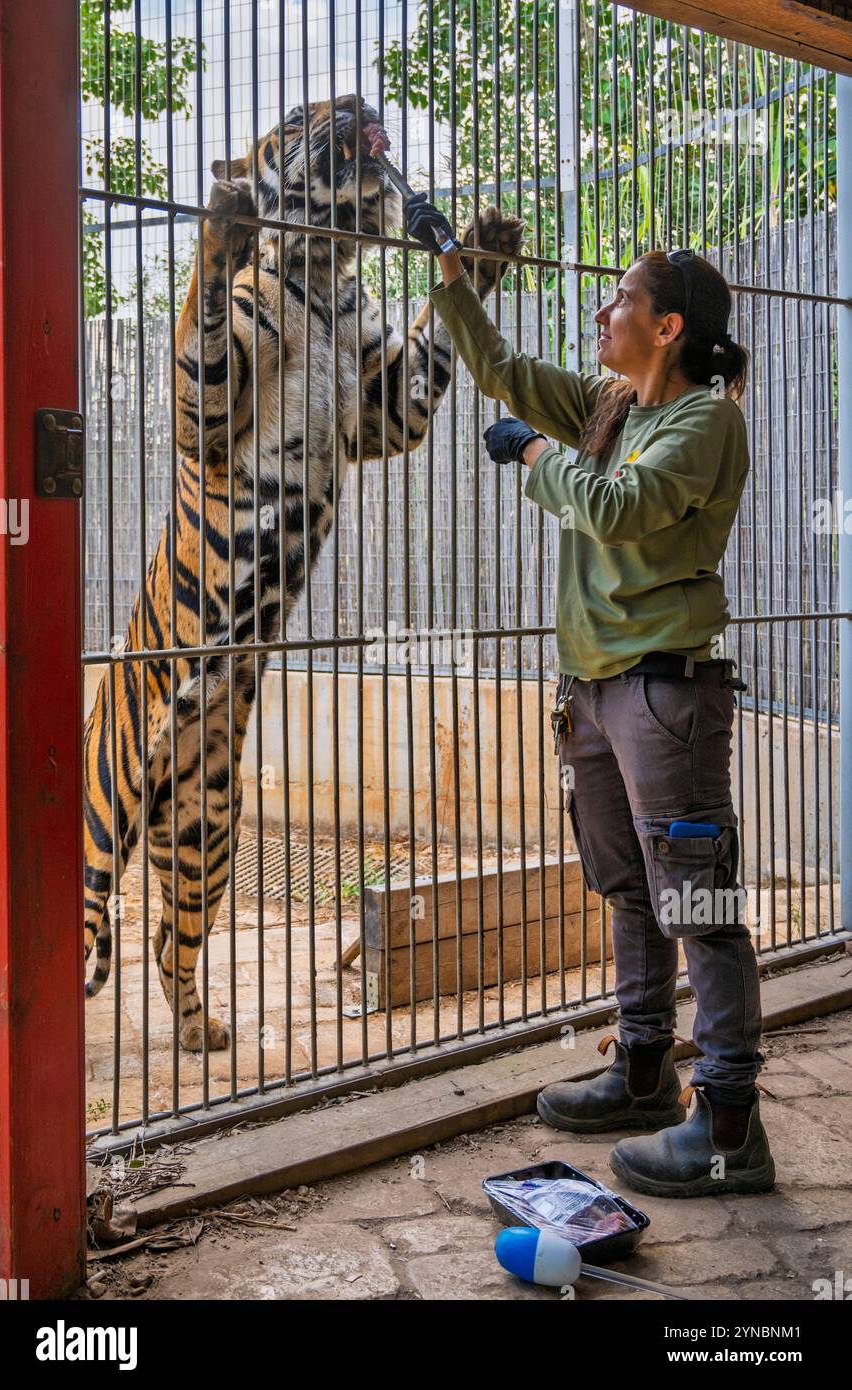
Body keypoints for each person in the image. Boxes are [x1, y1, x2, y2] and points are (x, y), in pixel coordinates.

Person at [404, 191, 774, 1198]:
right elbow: (501, 371)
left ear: (666, 328)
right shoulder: (617, 406)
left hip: (664, 695)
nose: (599, 313)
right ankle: (644, 1071)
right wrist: (450, 269)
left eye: (617, 300)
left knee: (696, 902)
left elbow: (612, 508)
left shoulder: (701, 421)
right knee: (627, 890)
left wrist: (529, 452)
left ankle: (731, 1124)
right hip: (596, 691)